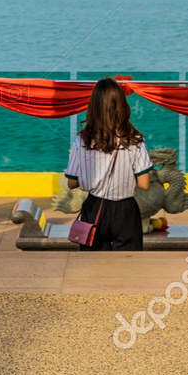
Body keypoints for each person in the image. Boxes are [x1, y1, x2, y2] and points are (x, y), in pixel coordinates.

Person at [65, 76, 151, 251]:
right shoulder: (135, 139)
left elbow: (71, 183)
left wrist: (92, 176)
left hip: (94, 208)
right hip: (126, 210)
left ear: (94, 107)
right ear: (122, 106)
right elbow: (144, 184)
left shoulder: (82, 140)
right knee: (129, 261)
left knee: (93, 261)